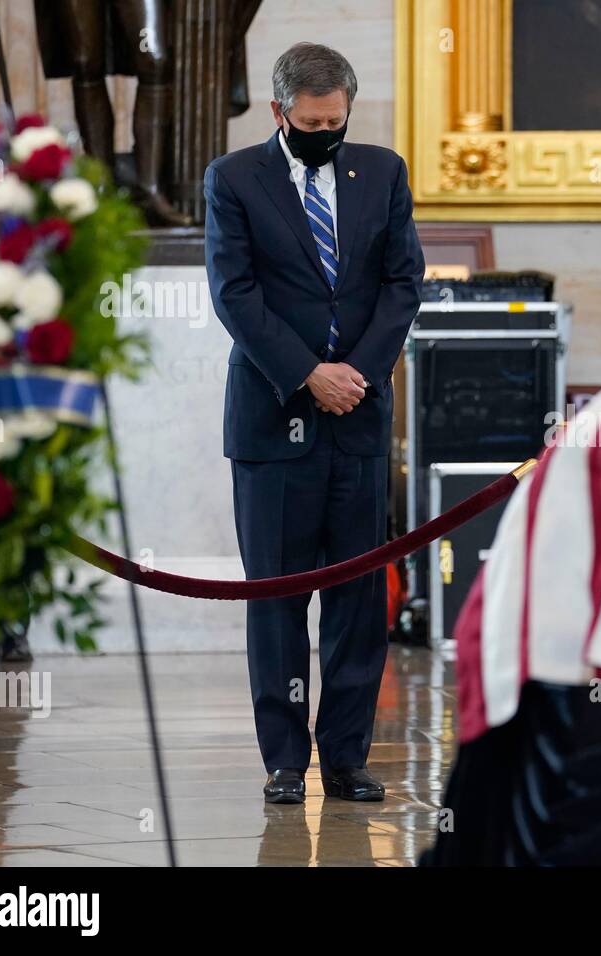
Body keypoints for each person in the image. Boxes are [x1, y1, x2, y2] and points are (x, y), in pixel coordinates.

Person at [203, 42, 424, 804]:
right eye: (313, 122)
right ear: (279, 112)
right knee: (279, 597)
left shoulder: (384, 172)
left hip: (359, 417)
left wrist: (355, 373)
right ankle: (284, 763)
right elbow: (235, 293)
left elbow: (402, 282)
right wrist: (307, 374)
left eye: (338, 121)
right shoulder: (234, 179)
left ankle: (346, 758)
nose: (328, 133)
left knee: (360, 599)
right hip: (273, 419)